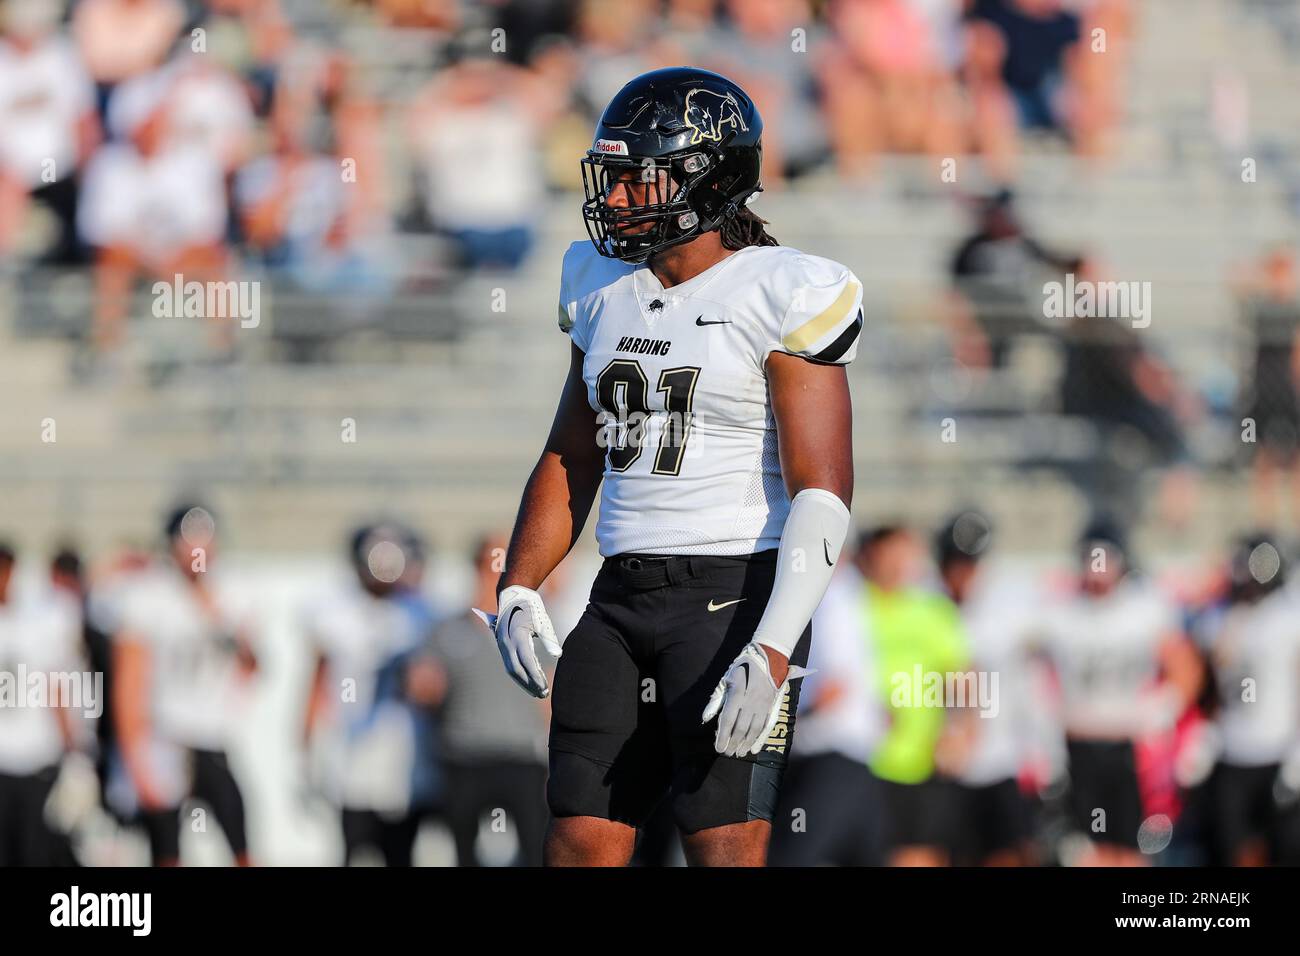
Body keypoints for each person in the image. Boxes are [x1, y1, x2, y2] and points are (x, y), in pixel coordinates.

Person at [480, 67, 861, 867]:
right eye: (612, 179)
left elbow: (822, 494)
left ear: (709, 178)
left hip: (732, 598)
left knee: (723, 849)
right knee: (579, 839)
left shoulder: (784, 288)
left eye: (637, 179)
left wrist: (775, 647)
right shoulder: (597, 282)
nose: (615, 199)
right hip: (619, 597)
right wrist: (518, 585)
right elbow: (570, 452)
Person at [1037, 518, 1202, 865]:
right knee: (1086, 847)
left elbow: (1185, 665)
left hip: (1128, 749)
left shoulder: (1142, 610)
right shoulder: (1061, 613)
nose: (1097, 571)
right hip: (1079, 746)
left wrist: (1164, 709)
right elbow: (1028, 669)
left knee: (1130, 847)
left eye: (1105, 559)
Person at [112, 504, 258, 866]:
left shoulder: (230, 595)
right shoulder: (148, 597)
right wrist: (136, 759)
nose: (198, 551)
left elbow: (251, 668)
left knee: (242, 846)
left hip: (211, 738)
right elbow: (129, 683)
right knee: (167, 852)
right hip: (166, 739)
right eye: (189, 541)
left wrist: (217, 617)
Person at [302, 523, 440, 866]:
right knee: (354, 851)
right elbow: (316, 686)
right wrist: (305, 747)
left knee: (400, 853)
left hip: (406, 756)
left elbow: (433, 690)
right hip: (351, 755)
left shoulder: (420, 614)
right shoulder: (337, 614)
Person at [419, 535, 550, 867]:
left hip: (522, 758)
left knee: (535, 849)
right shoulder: (448, 629)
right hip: (465, 758)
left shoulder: (535, 627)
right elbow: (424, 689)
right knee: (466, 851)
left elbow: (551, 697)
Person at [768, 528, 888, 867]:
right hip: (858, 762)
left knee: (790, 857)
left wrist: (787, 729)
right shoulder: (853, 595)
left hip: (829, 760)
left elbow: (836, 684)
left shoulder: (831, 596)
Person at [935, 510, 1046, 866]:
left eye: (969, 563)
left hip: (1000, 761)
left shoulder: (1007, 610)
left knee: (1008, 853)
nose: (962, 574)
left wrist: (1042, 751)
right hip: (942, 766)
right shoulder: (928, 610)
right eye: (954, 563)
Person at [1199, 534, 1300, 866]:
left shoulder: (1287, 619)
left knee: (1285, 848)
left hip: (1278, 751)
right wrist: (1208, 731)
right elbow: (1210, 685)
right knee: (1234, 849)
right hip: (1233, 751)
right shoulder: (1221, 618)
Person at [0, 542, 84, 865]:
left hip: (36, 761)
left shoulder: (36, 624)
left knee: (36, 852)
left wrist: (73, 750)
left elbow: (55, 690)